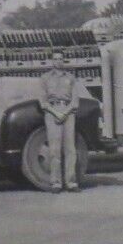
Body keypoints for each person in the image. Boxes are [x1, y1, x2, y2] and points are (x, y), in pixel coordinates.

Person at [39, 53, 81, 192]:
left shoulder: (70, 78)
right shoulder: (45, 78)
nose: (58, 61)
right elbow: (43, 101)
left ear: (64, 61)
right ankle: (56, 183)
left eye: (60, 59)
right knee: (54, 149)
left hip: (68, 112)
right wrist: (56, 112)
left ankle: (71, 182)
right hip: (52, 112)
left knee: (70, 149)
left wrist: (65, 112)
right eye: (55, 59)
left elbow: (75, 100)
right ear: (51, 61)